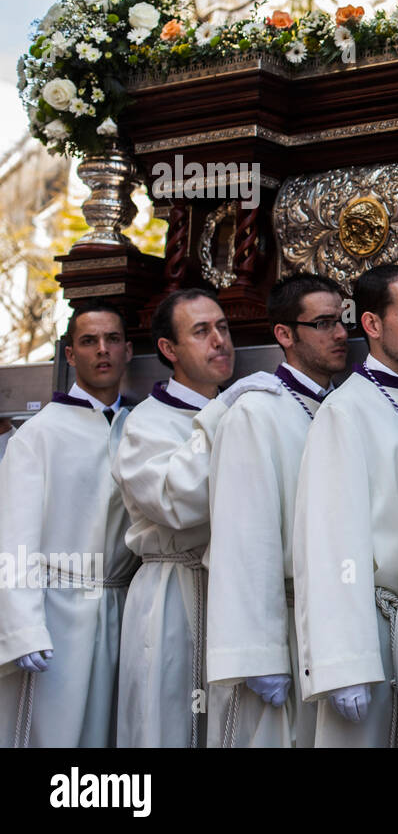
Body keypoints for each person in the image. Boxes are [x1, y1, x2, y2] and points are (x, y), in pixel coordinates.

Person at [113, 287, 280, 747]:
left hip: (231, 592)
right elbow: (174, 500)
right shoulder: (145, 422)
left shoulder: (244, 407)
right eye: (201, 331)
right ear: (169, 349)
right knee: (167, 720)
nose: (220, 341)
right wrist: (221, 414)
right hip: (172, 591)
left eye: (223, 328)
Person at [206, 273, 350, 747]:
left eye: (342, 320)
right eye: (324, 323)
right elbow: (245, 541)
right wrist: (258, 655)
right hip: (279, 624)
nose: (340, 334)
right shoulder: (257, 412)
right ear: (285, 334)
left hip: (328, 623)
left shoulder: (338, 407)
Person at [294, 264, 398, 747]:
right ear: (372, 325)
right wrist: (341, 662)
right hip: (370, 627)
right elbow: (331, 541)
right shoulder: (345, 410)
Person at [0, 301, 135, 747]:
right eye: (88, 341)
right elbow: (13, 538)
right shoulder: (39, 433)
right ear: (70, 356)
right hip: (56, 613)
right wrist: (23, 628)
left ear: (128, 350)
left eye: (112, 339)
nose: (103, 351)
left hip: (121, 609)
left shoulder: (140, 427)